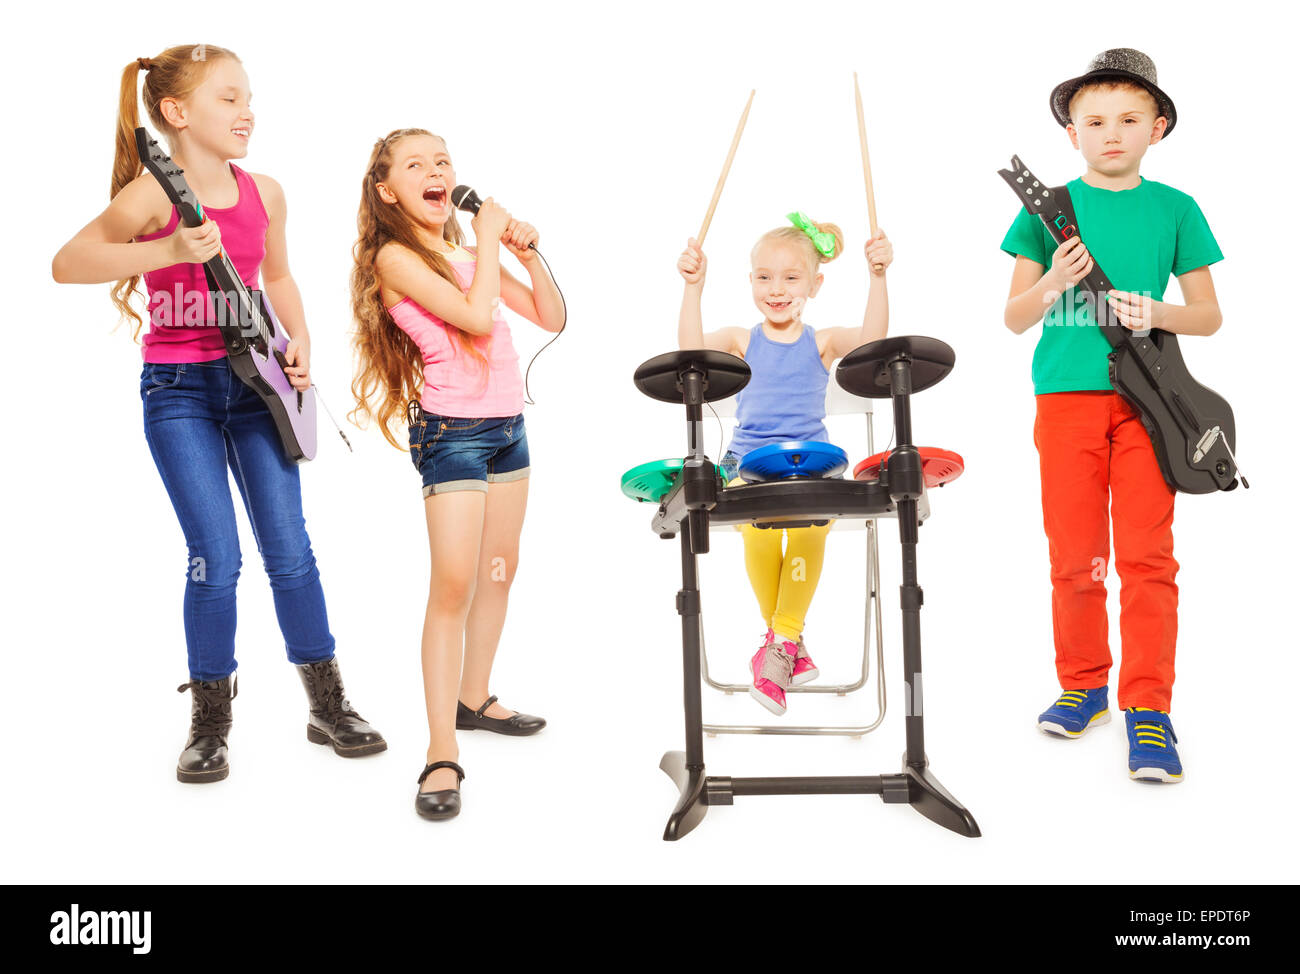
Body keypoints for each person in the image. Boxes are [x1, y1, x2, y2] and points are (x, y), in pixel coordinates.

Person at [51, 45, 385, 784]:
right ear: (176, 114)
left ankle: (327, 703)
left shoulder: (265, 190)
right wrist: (167, 246)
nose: (247, 112)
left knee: (289, 549)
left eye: (248, 98)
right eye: (229, 98)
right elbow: (68, 262)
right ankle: (211, 720)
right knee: (216, 557)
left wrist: (300, 343)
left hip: (259, 389)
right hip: (180, 393)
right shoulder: (151, 195)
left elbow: (280, 275)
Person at [1001, 48, 1224, 782]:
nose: (1111, 134)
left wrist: (1155, 309)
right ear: (1071, 131)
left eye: (1129, 120)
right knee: (1075, 555)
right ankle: (1084, 686)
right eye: (1093, 121)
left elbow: (1209, 317)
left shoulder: (1177, 208)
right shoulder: (1046, 210)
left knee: (1146, 557)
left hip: (1151, 408)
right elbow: (1012, 317)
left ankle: (1149, 710)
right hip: (1064, 400)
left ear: (1157, 127)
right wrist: (1053, 283)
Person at [350, 129, 565, 820]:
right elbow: (475, 317)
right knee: (454, 585)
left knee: (501, 569)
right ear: (387, 190)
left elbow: (553, 316)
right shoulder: (396, 258)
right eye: (416, 165)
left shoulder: (469, 253)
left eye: (443, 160)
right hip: (453, 437)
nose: (436, 171)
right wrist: (492, 239)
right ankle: (442, 750)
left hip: (508, 431)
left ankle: (475, 699)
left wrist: (523, 255)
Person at [676, 213, 892, 715]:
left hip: (811, 466)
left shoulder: (821, 341)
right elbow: (689, 352)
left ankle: (777, 645)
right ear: (750, 280)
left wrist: (878, 278)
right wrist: (693, 288)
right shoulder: (738, 339)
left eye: (791, 278)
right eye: (764, 277)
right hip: (748, 464)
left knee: (811, 531)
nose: (777, 290)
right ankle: (787, 644)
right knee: (764, 531)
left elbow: (873, 339)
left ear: (815, 285)